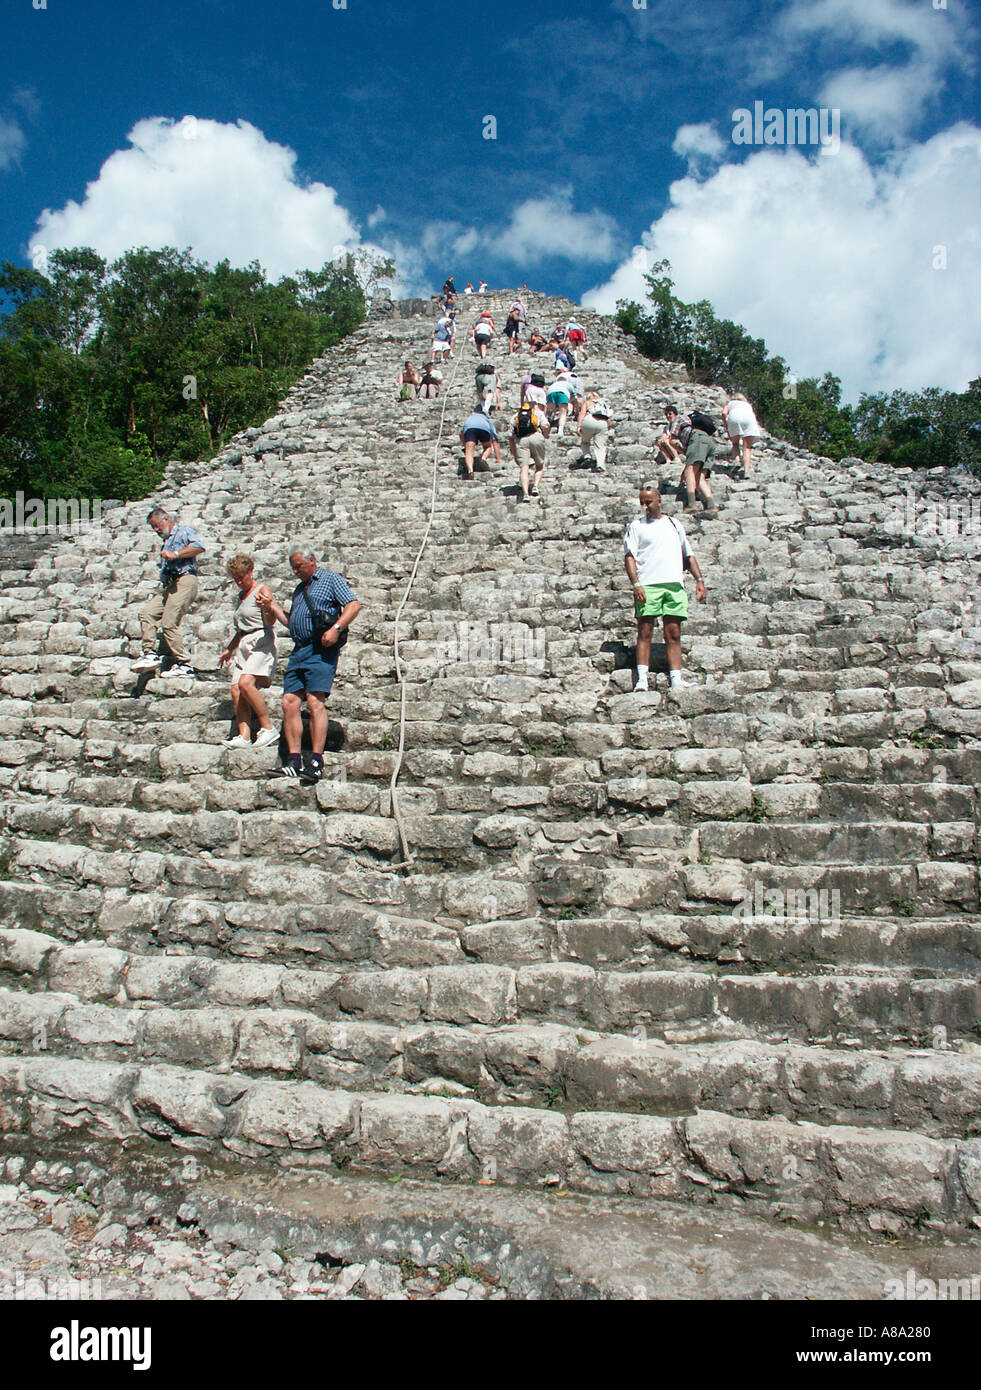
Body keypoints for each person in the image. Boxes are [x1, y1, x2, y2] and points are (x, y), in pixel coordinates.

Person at [255, 546, 360, 783]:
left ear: (311, 561)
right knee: (289, 701)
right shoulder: (299, 590)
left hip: (321, 648)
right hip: (299, 649)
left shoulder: (330, 579)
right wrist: (271, 605)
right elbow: (291, 622)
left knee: (314, 700)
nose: (294, 571)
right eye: (292, 567)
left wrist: (336, 629)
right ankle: (293, 761)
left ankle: (315, 759)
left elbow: (353, 605)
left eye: (298, 566)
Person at [623, 484, 706, 692]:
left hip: (673, 584)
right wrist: (636, 583)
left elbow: (687, 553)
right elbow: (630, 557)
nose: (645, 506)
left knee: (674, 633)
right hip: (648, 584)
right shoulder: (636, 526)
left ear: (659, 502)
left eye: (648, 502)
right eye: (642, 502)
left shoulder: (673, 523)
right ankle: (642, 679)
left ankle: (676, 678)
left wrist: (699, 579)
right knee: (645, 631)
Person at [132, 508, 205, 677]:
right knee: (147, 613)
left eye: (157, 526)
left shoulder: (183, 531)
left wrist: (176, 554)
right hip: (171, 585)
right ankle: (150, 653)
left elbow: (198, 547)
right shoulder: (166, 541)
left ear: (165, 519)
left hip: (185, 580)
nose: (156, 531)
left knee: (169, 622)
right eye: (154, 528)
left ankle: (184, 663)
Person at [218, 555, 279, 749]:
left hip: (261, 640)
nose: (238, 581)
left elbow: (270, 622)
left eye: (241, 577)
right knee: (236, 689)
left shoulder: (261, 591)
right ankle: (244, 736)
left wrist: (268, 608)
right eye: (235, 578)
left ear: (250, 572)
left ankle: (267, 727)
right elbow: (241, 629)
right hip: (244, 643)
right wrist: (229, 649)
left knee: (245, 683)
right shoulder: (241, 597)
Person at [509, 399, 550, 502]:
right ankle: (535, 486)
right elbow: (546, 426)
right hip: (536, 437)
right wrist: (544, 436)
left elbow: (510, 436)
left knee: (524, 468)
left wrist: (514, 453)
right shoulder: (538, 413)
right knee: (540, 465)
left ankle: (525, 493)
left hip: (521, 440)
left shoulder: (515, 416)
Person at [722, 393, 761, 478]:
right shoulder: (747, 405)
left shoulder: (730, 404)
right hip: (748, 419)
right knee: (747, 448)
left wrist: (726, 425)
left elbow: (724, 413)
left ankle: (737, 461)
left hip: (734, 418)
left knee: (735, 444)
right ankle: (747, 472)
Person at [459, 409, 501, 478]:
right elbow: (495, 441)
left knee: (469, 452)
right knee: (488, 447)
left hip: (470, 429)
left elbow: (461, 433)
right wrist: (498, 458)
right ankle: (483, 459)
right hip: (484, 428)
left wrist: (465, 445)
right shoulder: (486, 420)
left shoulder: (470, 418)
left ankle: (470, 471)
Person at [577, 391, 612, 472]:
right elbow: (609, 418)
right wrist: (608, 426)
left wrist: (579, 426)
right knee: (600, 446)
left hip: (590, 419)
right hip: (603, 422)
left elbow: (582, 414)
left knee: (585, 441)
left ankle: (587, 457)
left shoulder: (587, 402)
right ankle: (600, 465)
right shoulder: (603, 404)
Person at [546, 368, 573, 436]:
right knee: (563, 413)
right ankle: (560, 430)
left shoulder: (553, 385)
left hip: (550, 393)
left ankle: (547, 424)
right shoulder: (568, 384)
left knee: (550, 411)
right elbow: (574, 398)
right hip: (562, 393)